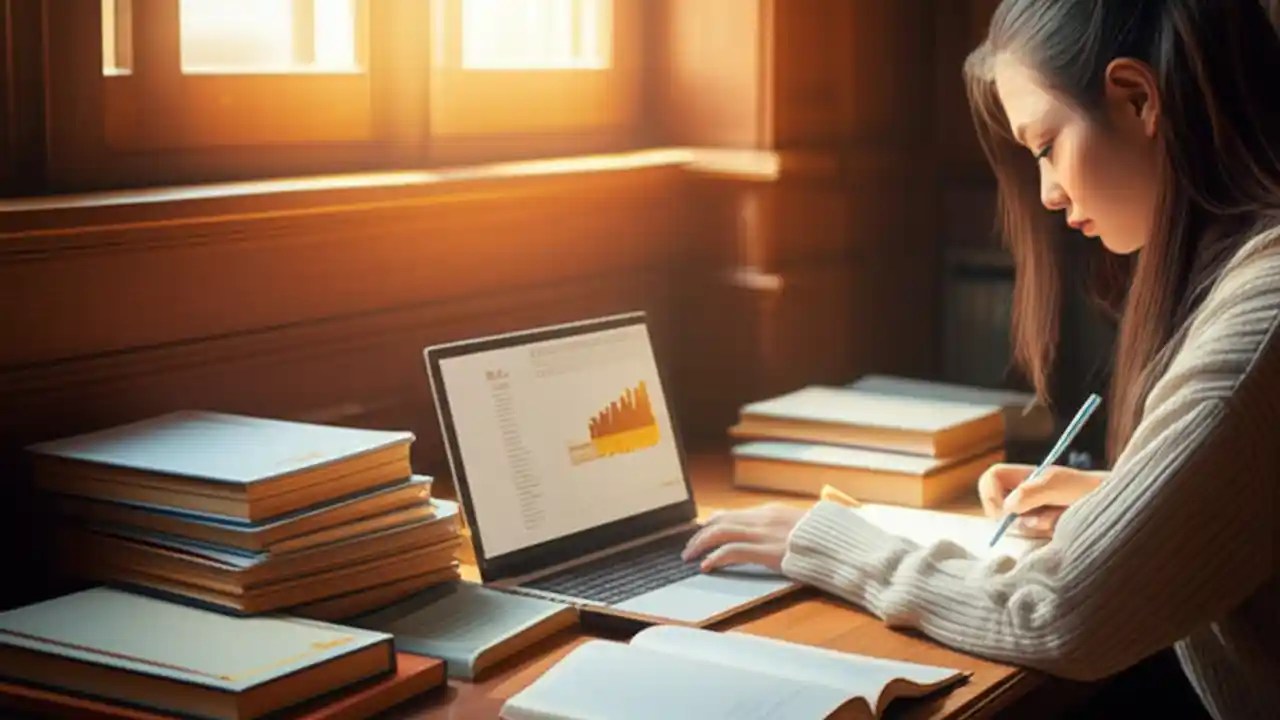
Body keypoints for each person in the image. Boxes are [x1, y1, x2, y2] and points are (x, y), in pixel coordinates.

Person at [682, 1, 1280, 718]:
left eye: (1045, 146)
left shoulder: (1260, 317)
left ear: (1137, 98)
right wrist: (1125, 503)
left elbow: (1055, 613)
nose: (1050, 193)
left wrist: (831, 542)